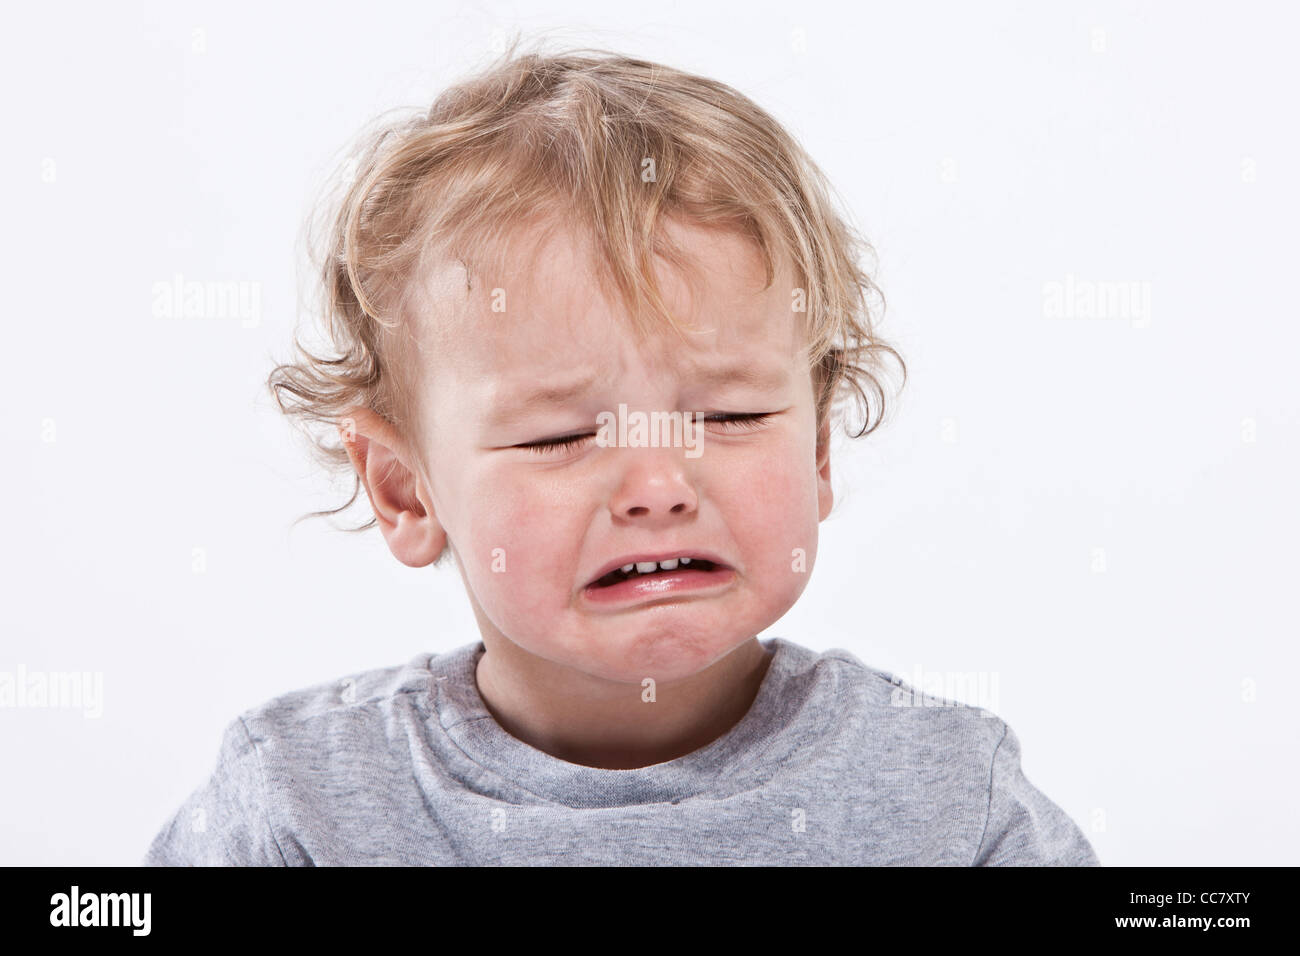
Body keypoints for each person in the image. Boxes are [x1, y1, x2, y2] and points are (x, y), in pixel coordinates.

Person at [144, 41, 1098, 866]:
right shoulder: (300, 811)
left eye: (727, 417)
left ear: (816, 451)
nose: (657, 486)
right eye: (561, 435)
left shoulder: (942, 800)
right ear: (404, 490)